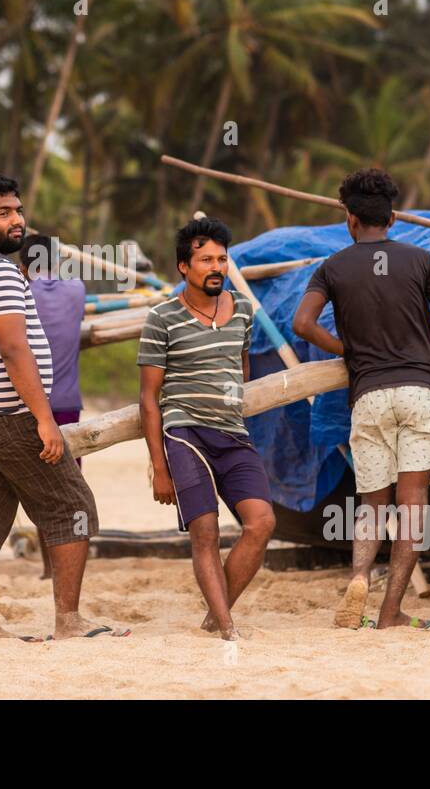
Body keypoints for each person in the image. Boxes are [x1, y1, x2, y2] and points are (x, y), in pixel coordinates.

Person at [0, 175, 123, 641]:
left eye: (18, 210)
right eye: (2, 213)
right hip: (7, 417)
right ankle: (68, 621)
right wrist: (44, 419)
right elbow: (13, 350)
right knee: (72, 506)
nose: (17, 219)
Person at [292, 169, 430, 631]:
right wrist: (416, 343)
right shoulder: (421, 260)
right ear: (392, 217)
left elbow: (303, 324)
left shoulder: (332, 268)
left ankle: (359, 579)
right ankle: (391, 612)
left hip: (368, 394)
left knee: (371, 504)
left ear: (350, 219)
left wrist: (348, 349)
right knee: (413, 504)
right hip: (421, 391)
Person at [138, 218, 275, 640]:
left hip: (233, 434)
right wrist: (159, 468)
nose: (216, 267)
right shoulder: (161, 318)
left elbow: (242, 363)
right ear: (184, 266)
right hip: (185, 433)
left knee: (261, 523)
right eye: (205, 260)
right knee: (206, 532)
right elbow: (148, 398)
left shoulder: (244, 310)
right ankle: (228, 627)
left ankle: (216, 614)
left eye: (221, 258)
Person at [19, 233, 87, 579]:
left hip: (28, 404)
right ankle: (66, 564)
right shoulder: (76, 289)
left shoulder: (21, 292)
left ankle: (49, 568)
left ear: (24, 264)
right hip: (67, 403)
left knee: (39, 489)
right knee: (67, 486)